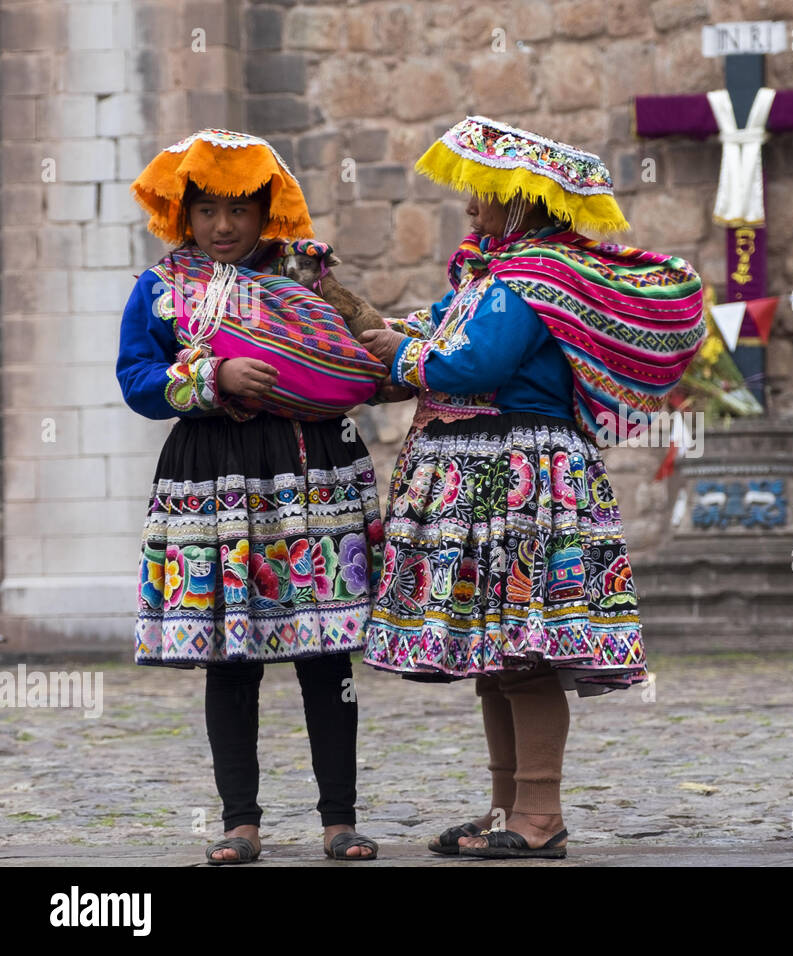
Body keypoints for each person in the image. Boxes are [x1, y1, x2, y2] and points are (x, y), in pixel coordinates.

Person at [359, 116, 705, 858]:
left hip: (517, 479)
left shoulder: (529, 280)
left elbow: (470, 366)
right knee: (498, 657)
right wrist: (382, 331)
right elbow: (442, 339)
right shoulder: (495, 278)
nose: (471, 206)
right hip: (490, 476)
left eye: (485, 193)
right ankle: (506, 806)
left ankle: (539, 816)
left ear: (520, 202)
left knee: (524, 654)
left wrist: (403, 353)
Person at [118, 129, 388, 863]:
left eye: (240, 209)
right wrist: (212, 382)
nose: (224, 227)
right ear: (184, 213)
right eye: (207, 210)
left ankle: (340, 819)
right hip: (214, 474)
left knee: (325, 654)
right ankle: (240, 822)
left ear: (269, 208)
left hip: (309, 473)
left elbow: (360, 352)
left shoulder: (308, 279)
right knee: (228, 653)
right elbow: (136, 380)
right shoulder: (160, 289)